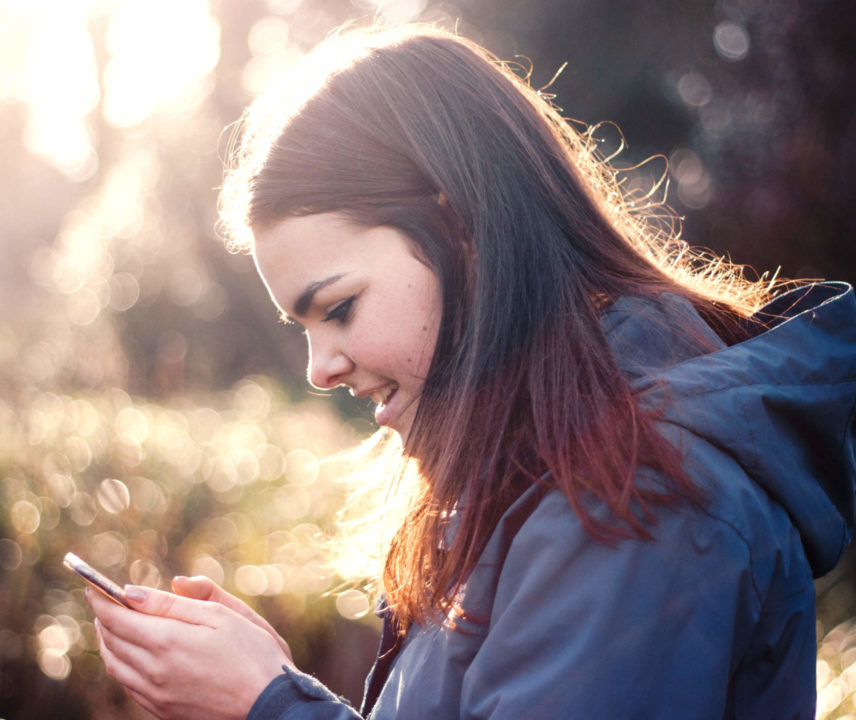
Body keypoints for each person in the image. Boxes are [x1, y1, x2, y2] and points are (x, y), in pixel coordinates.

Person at [86, 24, 856, 719]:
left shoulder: (636, 497)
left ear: (462, 229)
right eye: (303, 328)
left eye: (341, 307)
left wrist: (268, 705)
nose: (320, 369)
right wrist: (268, 688)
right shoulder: (546, 470)